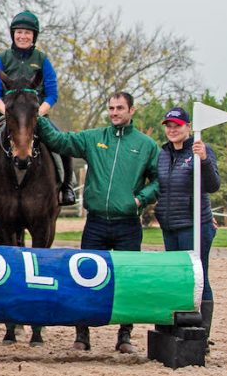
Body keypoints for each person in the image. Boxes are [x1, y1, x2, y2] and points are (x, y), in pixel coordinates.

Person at [36, 91, 159, 353]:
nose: (115, 112)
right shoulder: (94, 138)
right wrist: (39, 117)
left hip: (128, 224)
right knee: (86, 278)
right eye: (111, 108)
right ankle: (82, 335)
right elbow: (59, 141)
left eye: (120, 108)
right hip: (96, 223)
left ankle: (124, 336)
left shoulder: (146, 145)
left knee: (127, 280)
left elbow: (160, 180)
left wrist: (140, 199)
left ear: (131, 111)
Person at [0, 10, 77, 206]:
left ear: (34, 36)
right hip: (6, 115)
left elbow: (52, 93)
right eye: (19, 32)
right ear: (13, 34)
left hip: (38, 115)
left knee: (63, 142)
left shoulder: (42, 60)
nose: (23, 36)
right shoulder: (2, 59)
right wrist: (7, 113)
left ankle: (66, 187)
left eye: (28, 33)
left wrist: (37, 114)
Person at [154, 106, 219, 348]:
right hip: (169, 226)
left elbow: (213, 185)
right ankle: (178, 327)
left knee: (199, 278)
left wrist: (203, 160)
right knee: (177, 278)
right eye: (169, 126)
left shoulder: (200, 149)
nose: (172, 130)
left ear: (188, 127)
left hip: (195, 226)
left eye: (177, 125)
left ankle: (202, 334)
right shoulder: (162, 154)